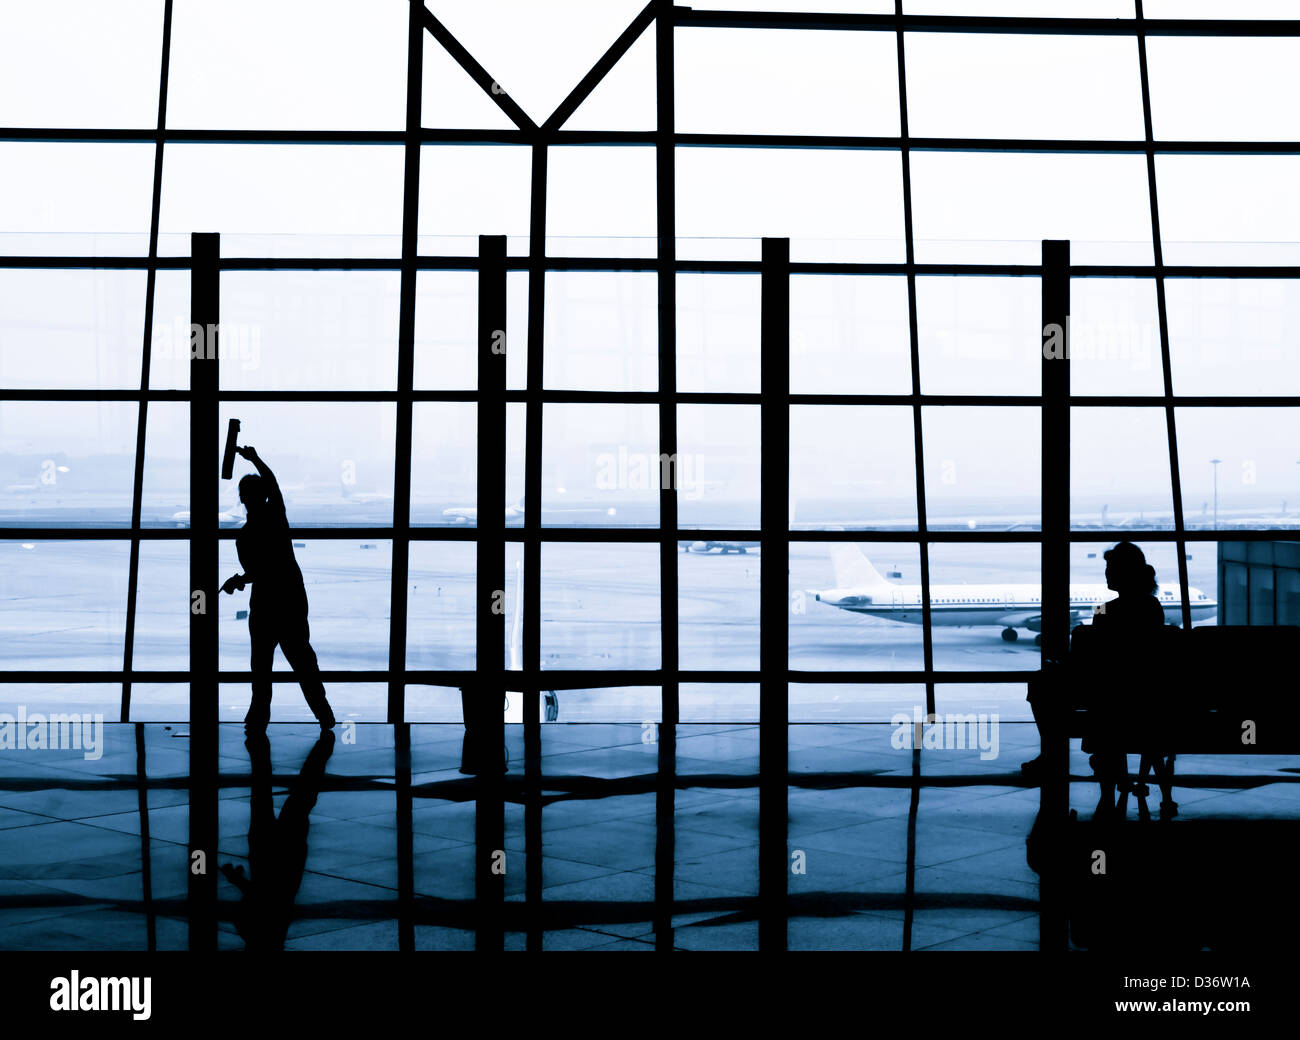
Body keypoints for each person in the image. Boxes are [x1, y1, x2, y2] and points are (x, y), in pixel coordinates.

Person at [220, 445, 335, 731]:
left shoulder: (244, 537)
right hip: (292, 600)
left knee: (260, 668)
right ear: (263, 496)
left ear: (242, 499)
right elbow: (274, 484)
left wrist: (239, 581)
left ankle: (258, 717)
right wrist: (254, 458)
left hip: (265, 605)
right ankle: (324, 714)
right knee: (303, 662)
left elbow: (257, 573)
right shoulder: (276, 518)